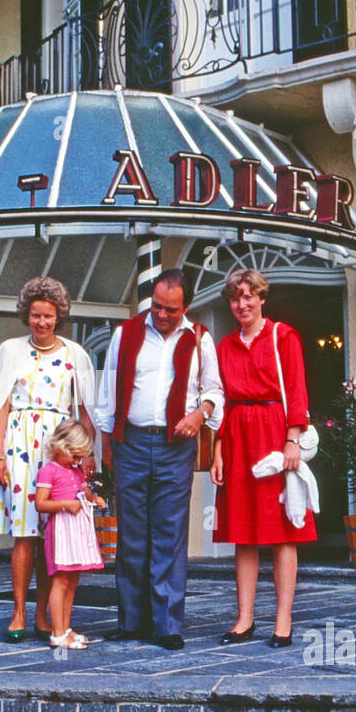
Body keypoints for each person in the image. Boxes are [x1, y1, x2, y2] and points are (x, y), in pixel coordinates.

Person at [91, 270, 223, 651]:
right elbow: (109, 394)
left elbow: (213, 389)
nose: (162, 315)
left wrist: (199, 415)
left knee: (169, 533)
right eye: (157, 307)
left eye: (171, 310)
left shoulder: (198, 338)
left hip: (175, 445)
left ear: (187, 306)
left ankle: (167, 624)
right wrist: (107, 447)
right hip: (131, 442)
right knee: (132, 534)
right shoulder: (125, 334)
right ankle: (132, 621)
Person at [0, 277, 97, 643]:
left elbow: (85, 411)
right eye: (35, 315)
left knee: (54, 534)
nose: (42, 322)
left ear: (59, 316)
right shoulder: (10, 351)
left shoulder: (74, 354)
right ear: (26, 315)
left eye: (48, 316)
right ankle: (18, 611)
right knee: (24, 533)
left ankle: (43, 613)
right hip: (19, 444)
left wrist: (87, 455)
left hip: (59, 446)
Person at [210, 268, 315, 648]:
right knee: (243, 534)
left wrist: (292, 440)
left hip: (274, 433)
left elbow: (298, 389)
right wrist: (218, 452)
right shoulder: (224, 347)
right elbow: (220, 403)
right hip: (238, 435)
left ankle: (283, 620)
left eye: (249, 296)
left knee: (282, 532)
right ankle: (244, 618)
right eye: (236, 298)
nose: (242, 304)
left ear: (261, 297)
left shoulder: (282, 336)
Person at [34, 420, 107, 650]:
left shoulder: (75, 471)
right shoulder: (49, 470)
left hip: (77, 530)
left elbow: (84, 491)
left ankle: (65, 628)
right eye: (75, 456)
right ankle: (56, 632)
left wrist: (95, 499)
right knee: (61, 579)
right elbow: (40, 503)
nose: (77, 462)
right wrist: (65, 504)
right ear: (61, 447)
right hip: (61, 531)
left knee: (72, 581)